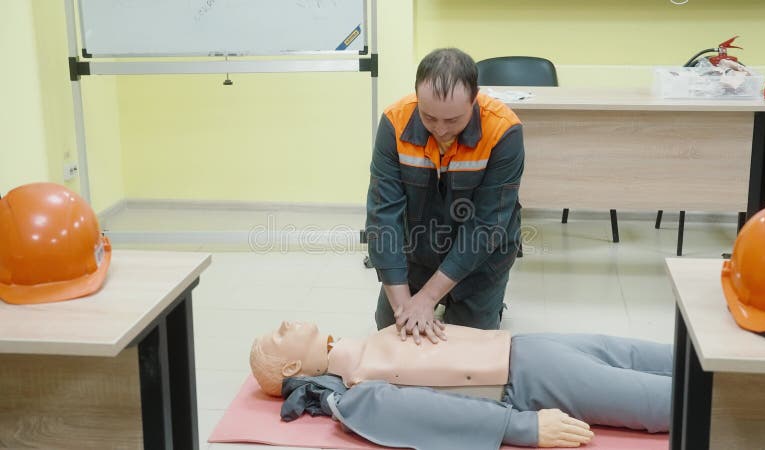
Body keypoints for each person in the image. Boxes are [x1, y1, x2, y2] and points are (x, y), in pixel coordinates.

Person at [250, 322, 672, 449]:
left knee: (677, 356)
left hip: (529, 345)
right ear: (291, 364)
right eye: (277, 335)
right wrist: (523, 428)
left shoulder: (358, 350)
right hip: (529, 380)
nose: (284, 324)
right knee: (677, 402)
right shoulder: (356, 391)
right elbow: (430, 415)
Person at [365, 48, 525, 342]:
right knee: (389, 330)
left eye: (452, 120)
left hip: (482, 257)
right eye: (429, 117)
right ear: (416, 97)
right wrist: (405, 311)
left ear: (474, 98)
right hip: (419, 249)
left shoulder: (504, 130)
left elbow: (486, 225)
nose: (440, 129)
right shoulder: (394, 122)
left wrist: (427, 299)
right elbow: (382, 217)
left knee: (469, 340)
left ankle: (487, 303)